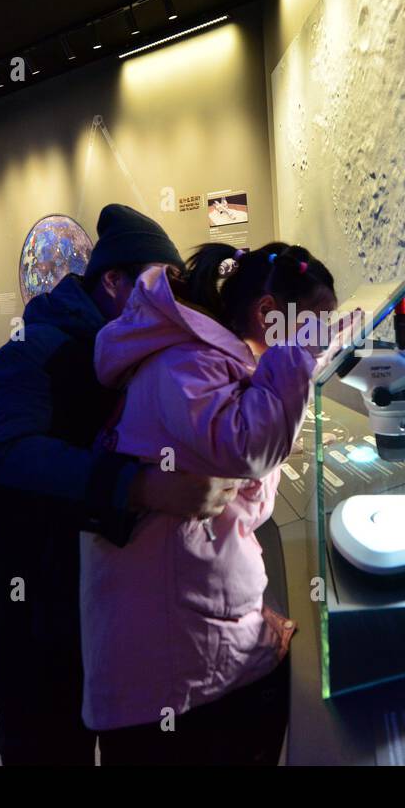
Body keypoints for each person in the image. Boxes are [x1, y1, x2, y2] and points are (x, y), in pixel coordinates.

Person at [0, 204, 241, 766]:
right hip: (37, 621)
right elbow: (3, 454)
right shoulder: (36, 350)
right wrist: (142, 487)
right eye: (156, 288)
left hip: (102, 614)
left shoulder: (123, 355)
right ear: (112, 281)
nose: (168, 305)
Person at [82, 241, 339, 765]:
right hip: (175, 680)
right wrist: (296, 359)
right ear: (268, 313)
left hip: (184, 638)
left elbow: (243, 501)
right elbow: (245, 448)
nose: (320, 338)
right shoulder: (187, 361)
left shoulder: (207, 358)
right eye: (314, 323)